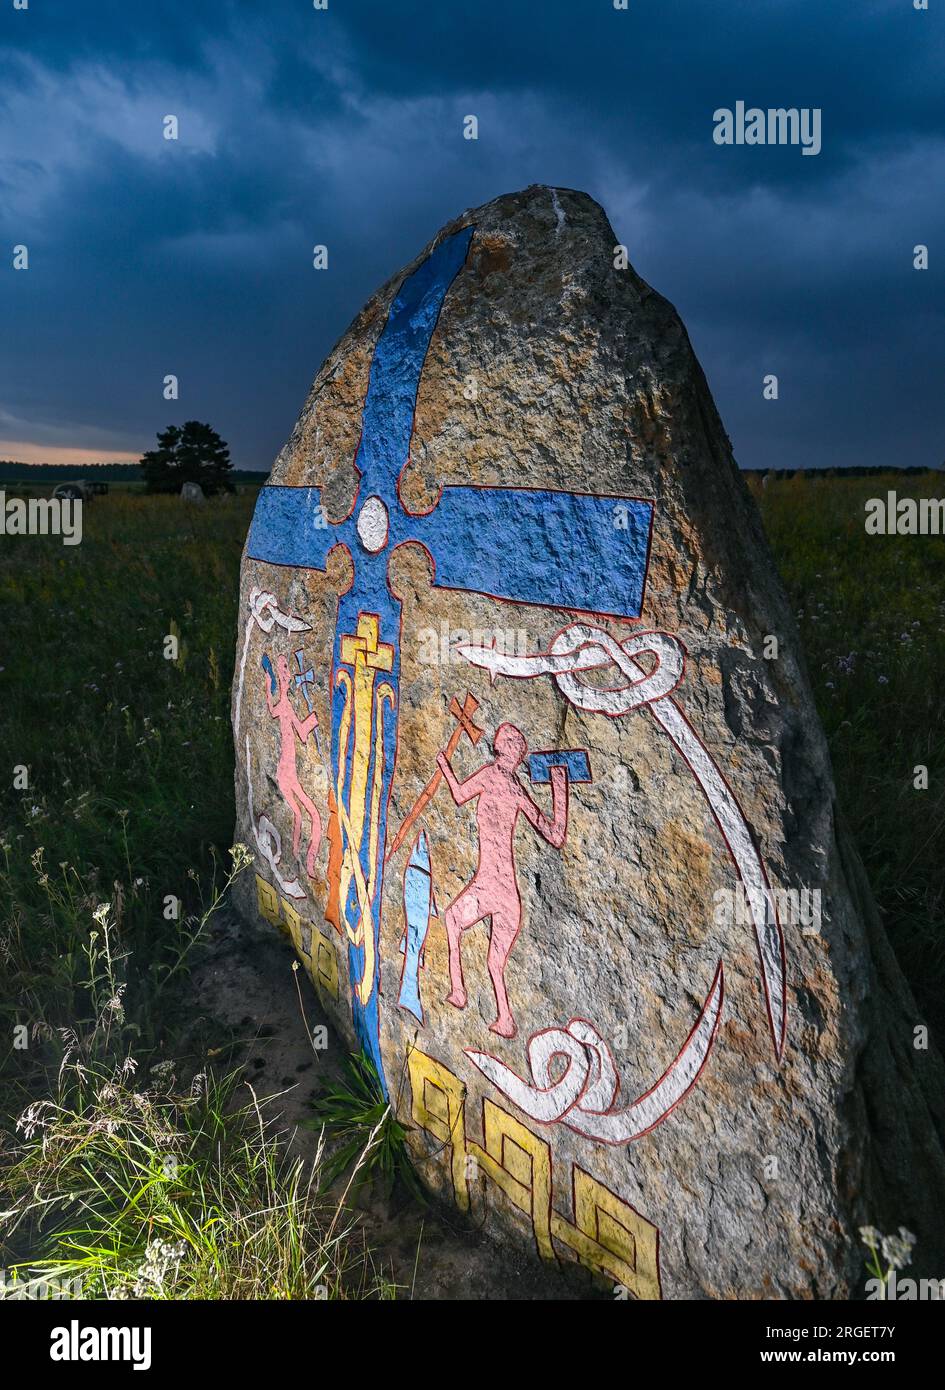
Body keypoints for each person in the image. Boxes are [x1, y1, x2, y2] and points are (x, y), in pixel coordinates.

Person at [436, 723, 568, 1038]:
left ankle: (461, 992)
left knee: (457, 923)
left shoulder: (497, 778)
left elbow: (458, 793)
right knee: (493, 961)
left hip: (492, 887)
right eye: (506, 745)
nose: (503, 749)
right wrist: (559, 788)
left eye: (507, 745)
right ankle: (501, 1017)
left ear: (508, 750)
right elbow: (555, 833)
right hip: (504, 893)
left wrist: (445, 766)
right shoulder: (511, 786)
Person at [263, 652, 322, 878]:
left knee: (301, 815)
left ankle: (299, 860)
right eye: (284, 668)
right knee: (310, 816)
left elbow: (298, 730)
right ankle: (305, 865)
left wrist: (313, 720)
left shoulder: (284, 704)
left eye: (286, 668)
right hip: (288, 773)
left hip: (285, 772)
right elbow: (302, 732)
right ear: (282, 675)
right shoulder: (285, 704)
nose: (288, 672)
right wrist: (314, 718)